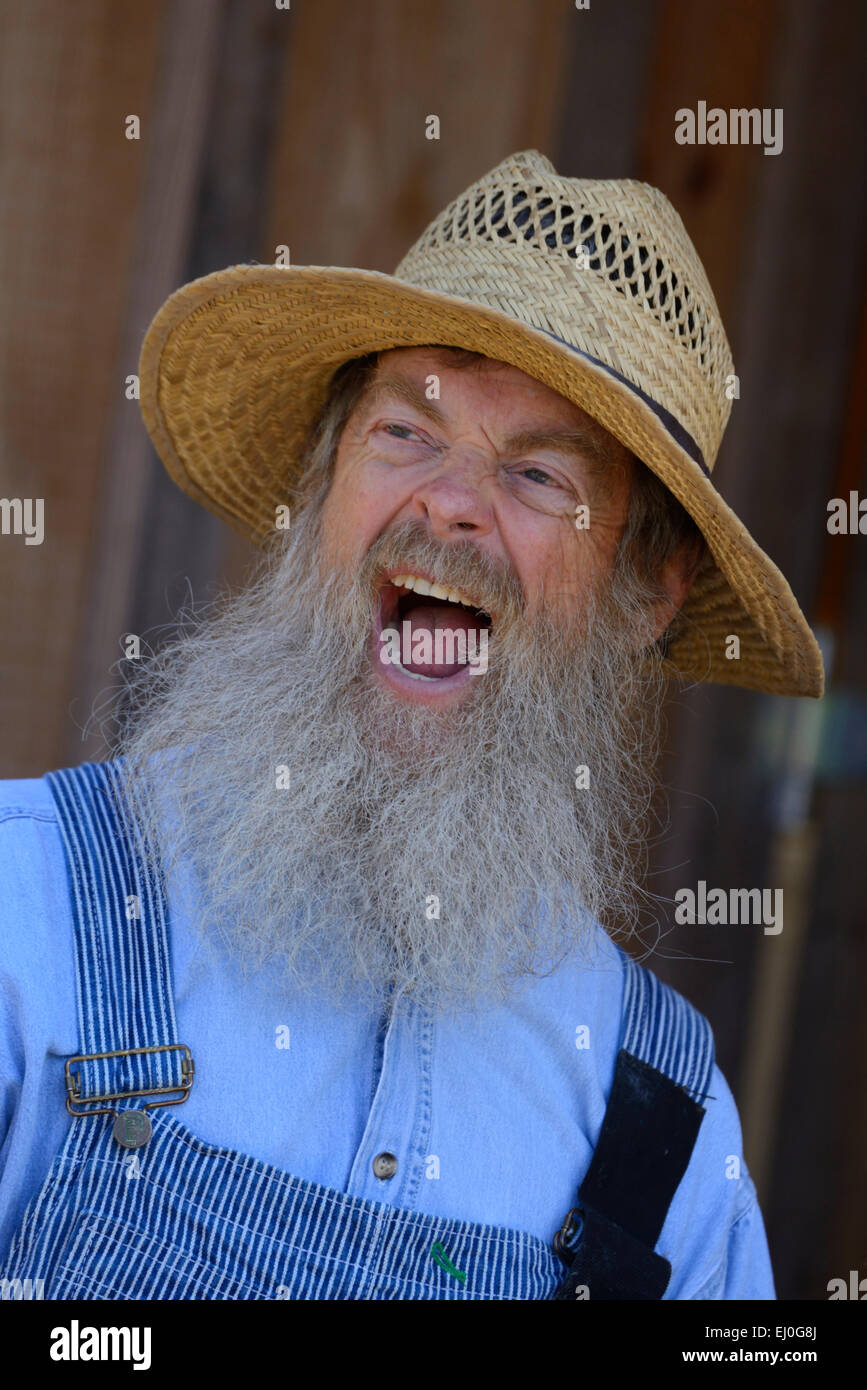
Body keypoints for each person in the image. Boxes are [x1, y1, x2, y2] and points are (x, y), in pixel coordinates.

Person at [0, 150, 823, 1301]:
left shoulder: (660, 1131)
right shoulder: (24, 915)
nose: (448, 503)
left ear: (647, 590)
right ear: (322, 474)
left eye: (539, 475)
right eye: (406, 434)